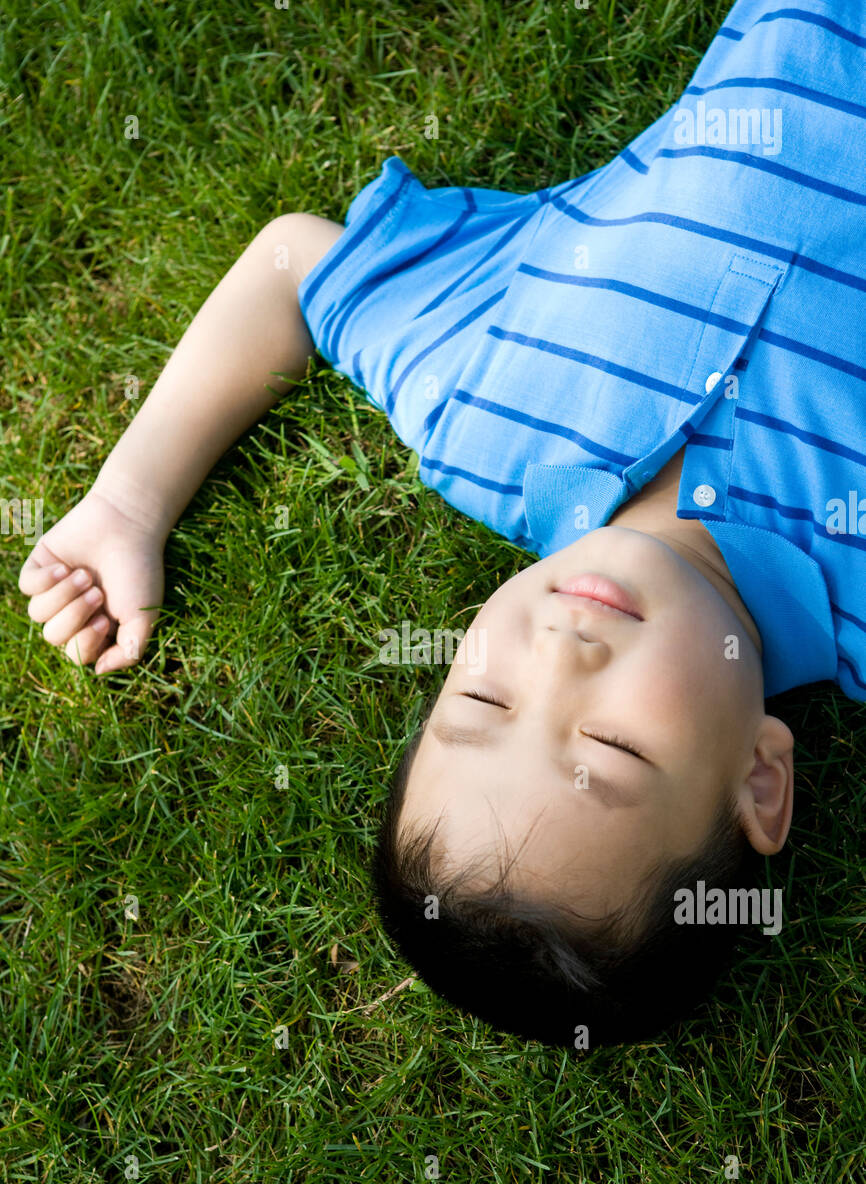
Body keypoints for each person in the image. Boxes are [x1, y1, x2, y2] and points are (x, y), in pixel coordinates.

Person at [19, 0, 865, 1046]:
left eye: (485, 691)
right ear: (758, 776)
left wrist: (128, 503)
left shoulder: (480, 412)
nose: (557, 656)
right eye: (610, 744)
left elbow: (293, 269)